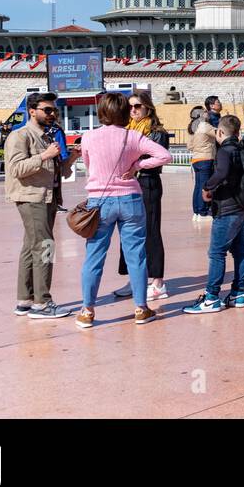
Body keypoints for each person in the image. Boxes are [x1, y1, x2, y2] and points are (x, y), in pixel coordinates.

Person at [75, 91, 172, 329]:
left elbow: (88, 166)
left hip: (99, 200)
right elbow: (164, 156)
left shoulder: (88, 137)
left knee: (94, 256)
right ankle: (141, 308)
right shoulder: (133, 137)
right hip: (130, 197)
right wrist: (138, 164)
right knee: (136, 255)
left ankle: (87, 310)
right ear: (124, 112)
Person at [4, 92, 79, 319]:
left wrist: (72, 157)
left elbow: (61, 172)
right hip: (32, 197)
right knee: (46, 246)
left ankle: (25, 300)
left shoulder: (48, 137)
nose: (52, 114)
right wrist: (45, 156)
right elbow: (16, 169)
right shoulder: (20, 136)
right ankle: (43, 303)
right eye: (47, 110)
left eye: (54, 110)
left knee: (31, 247)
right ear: (32, 111)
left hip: (48, 197)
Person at [184, 114, 244, 313]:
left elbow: (221, 173)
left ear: (220, 132)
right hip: (243, 208)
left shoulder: (224, 151)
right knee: (240, 251)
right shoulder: (243, 149)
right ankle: (239, 293)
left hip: (227, 209)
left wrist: (207, 187)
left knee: (216, 253)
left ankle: (212, 297)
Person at [112, 91, 171, 301]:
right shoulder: (126, 130)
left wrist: (137, 165)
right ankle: (135, 278)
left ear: (148, 108)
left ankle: (157, 282)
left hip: (148, 182)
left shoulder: (156, 132)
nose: (134, 110)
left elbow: (160, 158)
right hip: (128, 184)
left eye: (138, 106)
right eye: (130, 107)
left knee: (151, 230)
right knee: (129, 231)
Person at [188, 97, 220, 224]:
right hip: (206, 158)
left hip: (196, 159)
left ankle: (196, 212)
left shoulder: (192, 128)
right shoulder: (204, 125)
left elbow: (189, 146)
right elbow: (219, 134)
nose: (207, 113)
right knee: (204, 187)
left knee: (198, 186)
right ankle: (203, 212)